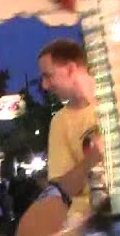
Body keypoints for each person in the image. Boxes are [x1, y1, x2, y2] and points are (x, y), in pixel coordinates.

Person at [37, 39, 104, 207]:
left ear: (71, 69)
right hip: (89, 222)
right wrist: (93, 157)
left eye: (48, 75)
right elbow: (64, 189)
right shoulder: (60, 122)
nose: (44, 85)